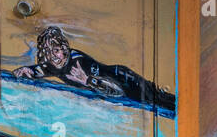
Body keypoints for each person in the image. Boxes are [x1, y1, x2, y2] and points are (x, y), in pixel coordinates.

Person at [14, 26, 175, 115]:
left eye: (62, 47)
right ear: (47, 55)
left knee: (165, 102)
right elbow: (44, 70)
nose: (62, 53)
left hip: (126, 81)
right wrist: (29, 70)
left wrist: (88, 81)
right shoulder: (55, 65)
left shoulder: (79, 63)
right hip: (120, 83)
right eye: (56, 51)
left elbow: (116, 91)